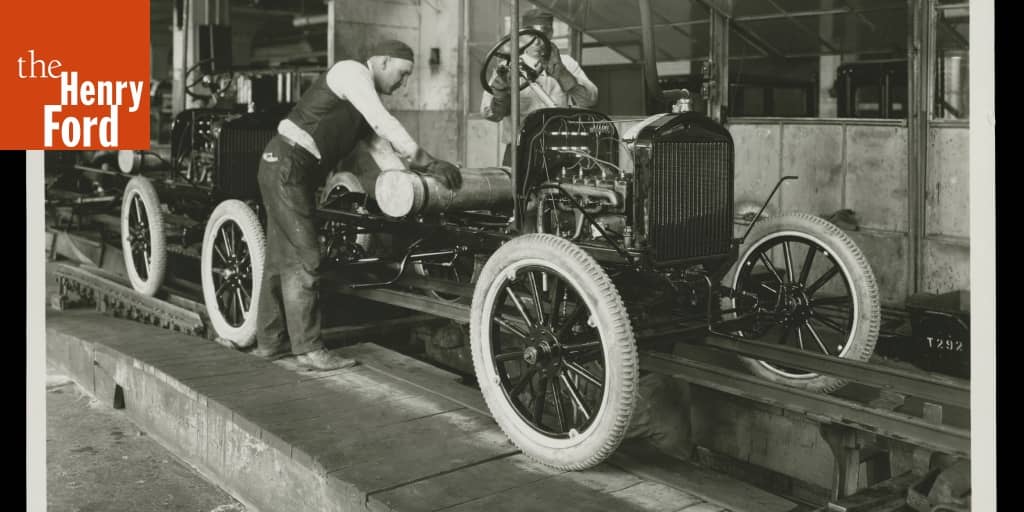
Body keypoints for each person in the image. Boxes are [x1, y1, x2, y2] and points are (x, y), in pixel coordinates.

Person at [251, 40, 462, 370]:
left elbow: (386, 156)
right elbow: (383, 121)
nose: (403, 83)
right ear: (382, 61)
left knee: (280, 260)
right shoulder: (352, 73)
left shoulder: (359, 106)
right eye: (402, 74)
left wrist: (420, 190)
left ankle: (269, 343)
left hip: (287, 167)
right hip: (289, 165)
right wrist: (427, 160)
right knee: (306, 258)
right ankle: (308, 350)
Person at [480, 8, 599, 166]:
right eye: (531, 34)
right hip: (519, 150)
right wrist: (501, 94)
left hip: (560, 147)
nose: (537, 41)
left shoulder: (567, 63)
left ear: (551, 33)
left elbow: (590, 100)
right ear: (521, 36)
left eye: (543, 32)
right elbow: (491, 114)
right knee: (517, 190)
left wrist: (562, 74)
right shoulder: (507, 68)